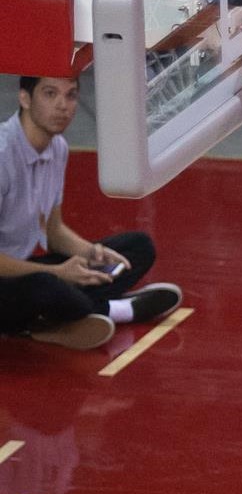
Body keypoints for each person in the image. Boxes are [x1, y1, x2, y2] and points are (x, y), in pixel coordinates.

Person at [1, 76, 183, 351]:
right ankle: (115, 308)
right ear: (25, 98)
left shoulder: (57, 148)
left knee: (138, 248)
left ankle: (71, 312)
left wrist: (90, 252)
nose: (63, 105)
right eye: (50, 94)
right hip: (12, 279)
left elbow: (53, 230)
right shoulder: (3, 156)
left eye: (71, 95)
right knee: (47, 287)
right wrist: (58, 273)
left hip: (23, 269)